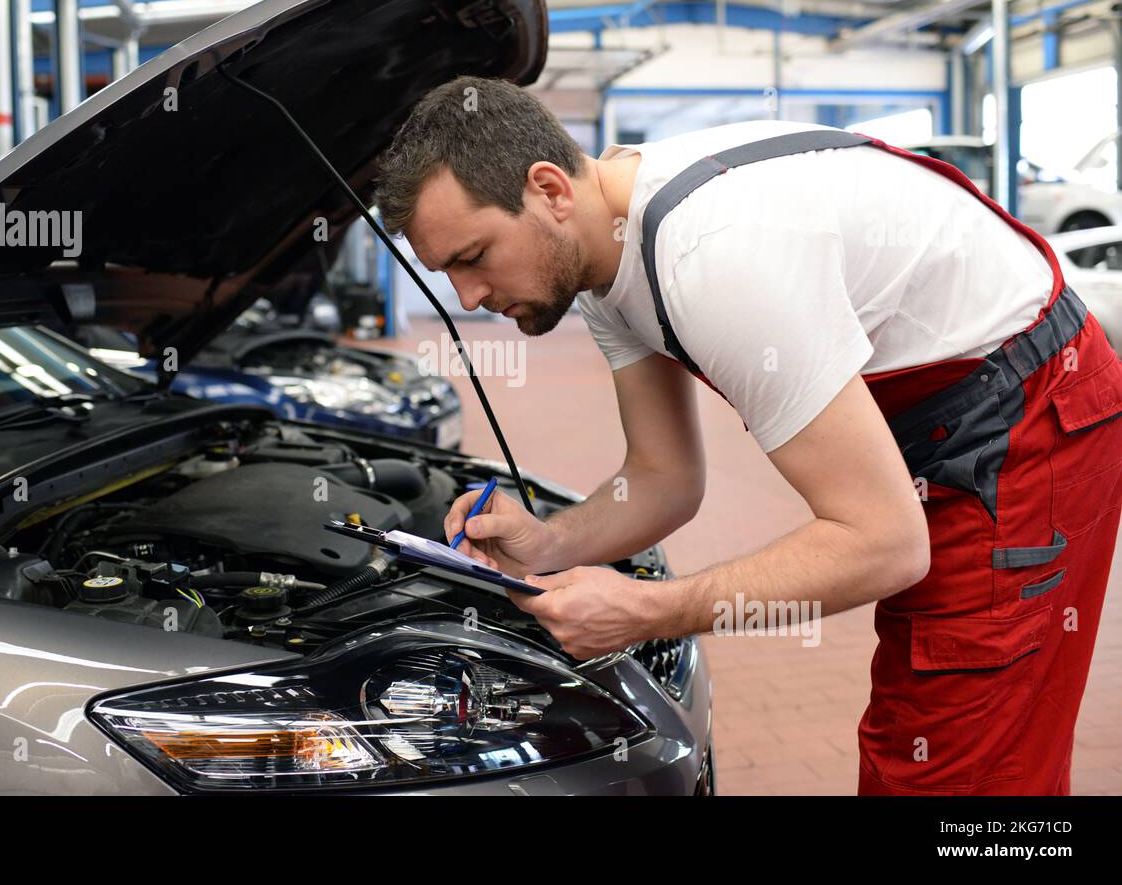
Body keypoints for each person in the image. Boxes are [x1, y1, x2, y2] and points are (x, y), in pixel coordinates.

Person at [372, 75, 1122, 795]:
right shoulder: (603, 255)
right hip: (942, 427)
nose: (468, 295)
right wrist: (550, 542)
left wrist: (647, 608)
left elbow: (885, 542)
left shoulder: (714, 256)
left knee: (954, 766)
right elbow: (665, 477)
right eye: (447, 274)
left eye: (472, 258)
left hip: (1030, 419)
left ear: (550, 190)